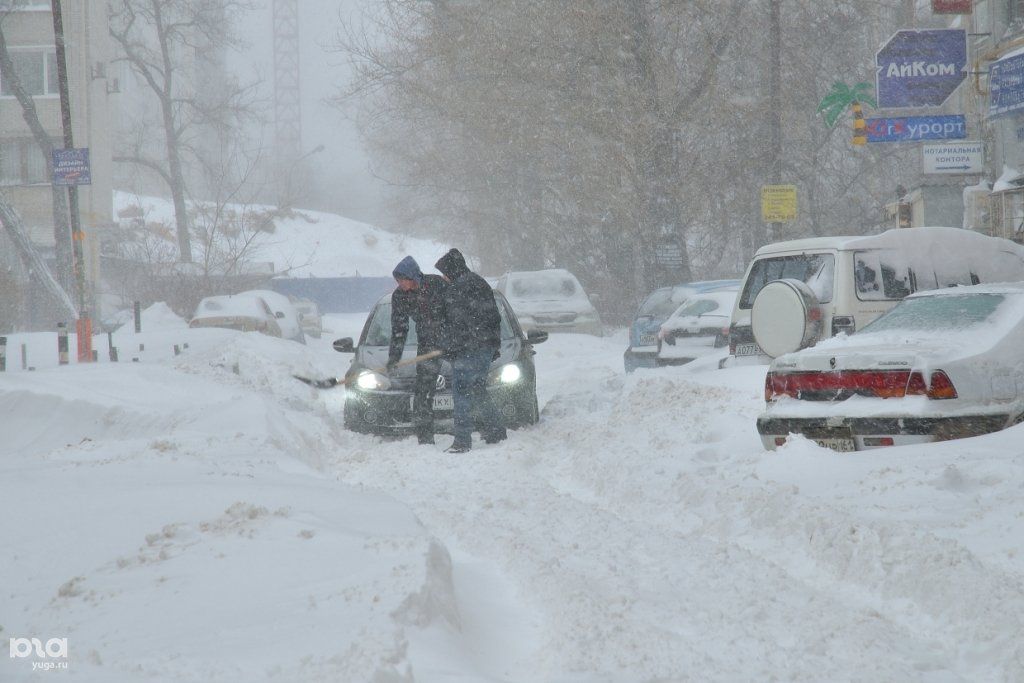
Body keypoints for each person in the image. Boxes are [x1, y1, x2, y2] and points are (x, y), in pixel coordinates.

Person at [434, 248, 506, 453]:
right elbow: (494, 317)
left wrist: (449, 348)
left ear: (452, 270)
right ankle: (496, 430)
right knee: (478, 389)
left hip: (467, 351)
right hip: (483, 347)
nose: (444, 277)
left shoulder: (457, 289)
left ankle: (462, 440)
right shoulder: (480, 283)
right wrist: (494, 345)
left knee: (461, 392)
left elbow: (455, 324)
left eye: (444, 272)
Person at [388, 255, 448, 445]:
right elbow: (399, 329)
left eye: (402, 280)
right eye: (397, 281)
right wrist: (394, 357)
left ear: (412, 276)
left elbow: (458, 310)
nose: (400, 284)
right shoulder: (399, 296)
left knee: (467, 385)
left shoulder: (437, 285)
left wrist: (457, 338)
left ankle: (473, 430)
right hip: (427, 345)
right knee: (423, 391)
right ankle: (425, 437)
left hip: (452, 341)